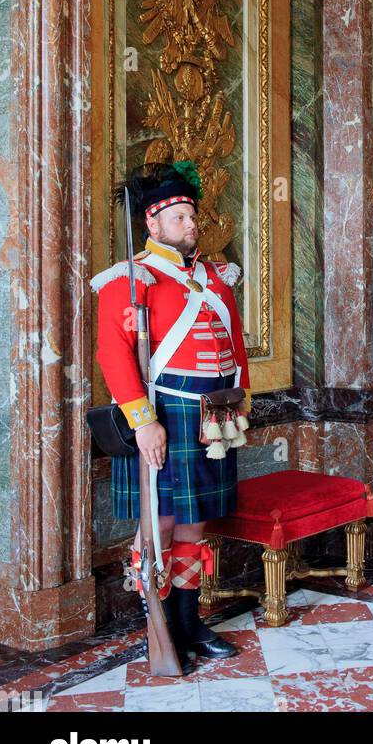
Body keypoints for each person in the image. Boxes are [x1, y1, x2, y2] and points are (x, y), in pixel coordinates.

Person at [92, 160, 250, 669]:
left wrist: (239, 397)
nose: (190, 224)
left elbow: (236, 346)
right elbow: (112, 355)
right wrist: (144, 422)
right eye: (179, 216)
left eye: (192, 215)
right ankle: (157, 626)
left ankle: (187, 622)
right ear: (152, 225)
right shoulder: (128, 278)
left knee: (193, 525)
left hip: (212, 419)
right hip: (165, 415)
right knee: (157, 525)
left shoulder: (215, 278)